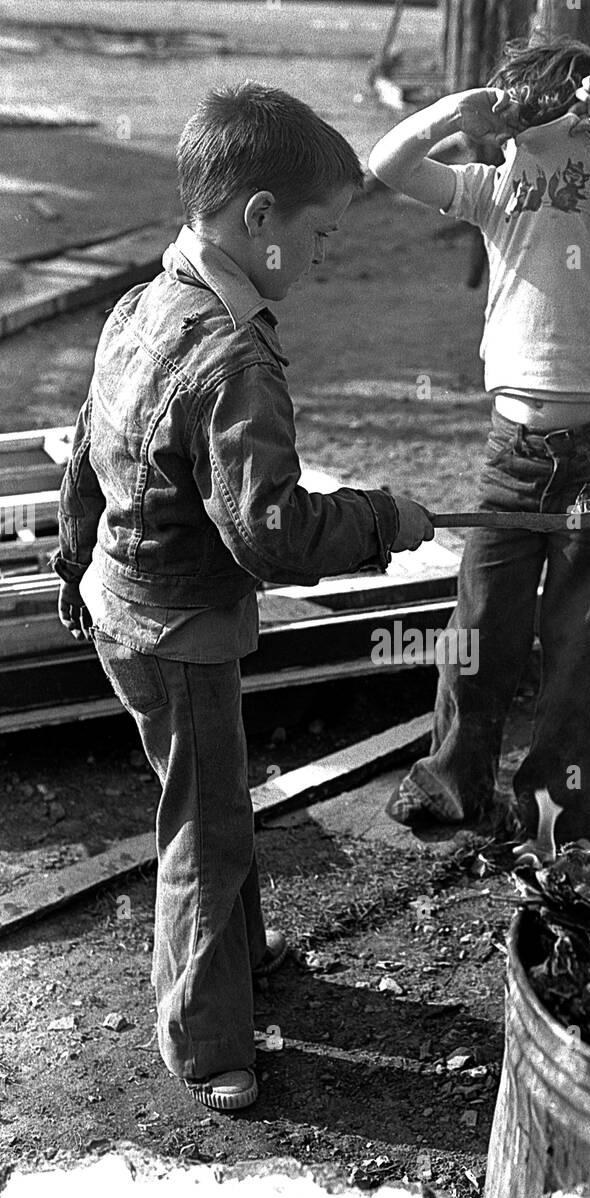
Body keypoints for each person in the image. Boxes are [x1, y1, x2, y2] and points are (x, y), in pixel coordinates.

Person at [52, 83, 434, 1112]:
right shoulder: (231, 359)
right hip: (175, 629)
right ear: (257, 219)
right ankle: (204, 1040)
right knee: (205, 830)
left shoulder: (143, 302)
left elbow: (85, 449)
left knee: (214, 799)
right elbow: (267, 534)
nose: (320, 257)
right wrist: (383, 519)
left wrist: (69, 567)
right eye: (316, 234)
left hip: (124, 603)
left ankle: (243, 966)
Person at [369, 38, 590, 847]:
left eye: (530, 109)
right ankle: (452, 785)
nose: (516, 124)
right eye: (511, 114)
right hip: (513, 453)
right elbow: (387, 165)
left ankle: (563, 814)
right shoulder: (494, 190)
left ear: (582, 119)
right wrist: (453, 114)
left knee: (582, 645)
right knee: (478, 626)